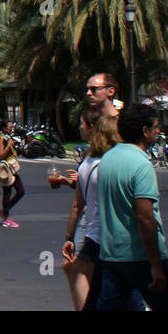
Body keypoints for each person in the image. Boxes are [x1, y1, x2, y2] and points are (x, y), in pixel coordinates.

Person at [95, 103, 168, 311]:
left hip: (111, 255)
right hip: (141, 257)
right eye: (155, 127)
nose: (158, 132)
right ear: (145, 131)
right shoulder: (141, 165)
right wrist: (156, 264)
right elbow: (145, 217)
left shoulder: (107, 159)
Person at [58, 107, 102, 309]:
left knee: (75, 270)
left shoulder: (90, 159)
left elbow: (79, 203)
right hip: (98, 227)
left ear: (92, 127)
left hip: (91, 225)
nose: (79, 128)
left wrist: (69, 237)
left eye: (82, 124)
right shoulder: (107, 157)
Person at [0, 120, 25, 227]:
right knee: (7, 192)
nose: (12, 129)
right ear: (4, 128)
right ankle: (6, 217)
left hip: (12, 168)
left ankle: (5, 211)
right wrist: (9, 145)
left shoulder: (7, 137)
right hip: (5, 170)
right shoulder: (1, 138)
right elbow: (0, 154)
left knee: (20, 191)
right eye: (10, 127)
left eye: (12, 127)